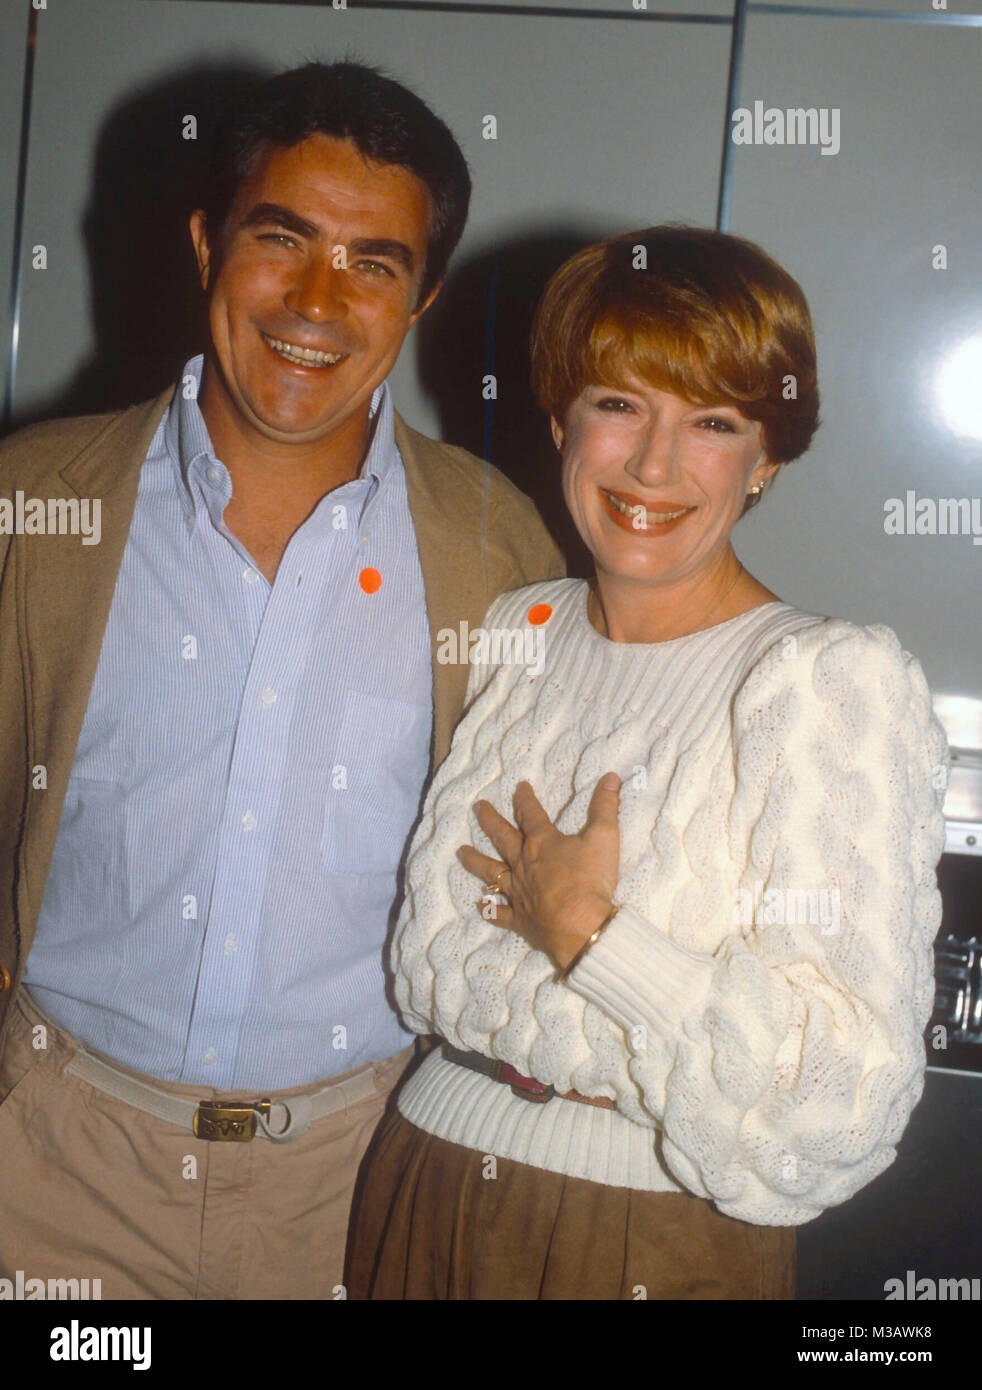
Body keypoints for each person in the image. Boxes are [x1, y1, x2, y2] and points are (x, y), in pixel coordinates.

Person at [0, 61, 564, 1299]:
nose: (319, 299)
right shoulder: (35, 508)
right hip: (53, 1185)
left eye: (375, 262)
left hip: (356, 1189)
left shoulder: (498, 550)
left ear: (419, 302)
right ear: (208, 244)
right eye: (283, 238)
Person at [345, 225, 949, 1300]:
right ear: (561, 418)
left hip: (642, 1235)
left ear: (767, 458)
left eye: (712, 423)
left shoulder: (819, 681)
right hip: (421, 1181)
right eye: (618, 403)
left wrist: (593, 937)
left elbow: (838, 1105)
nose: (653, 465)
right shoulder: (517, 628)